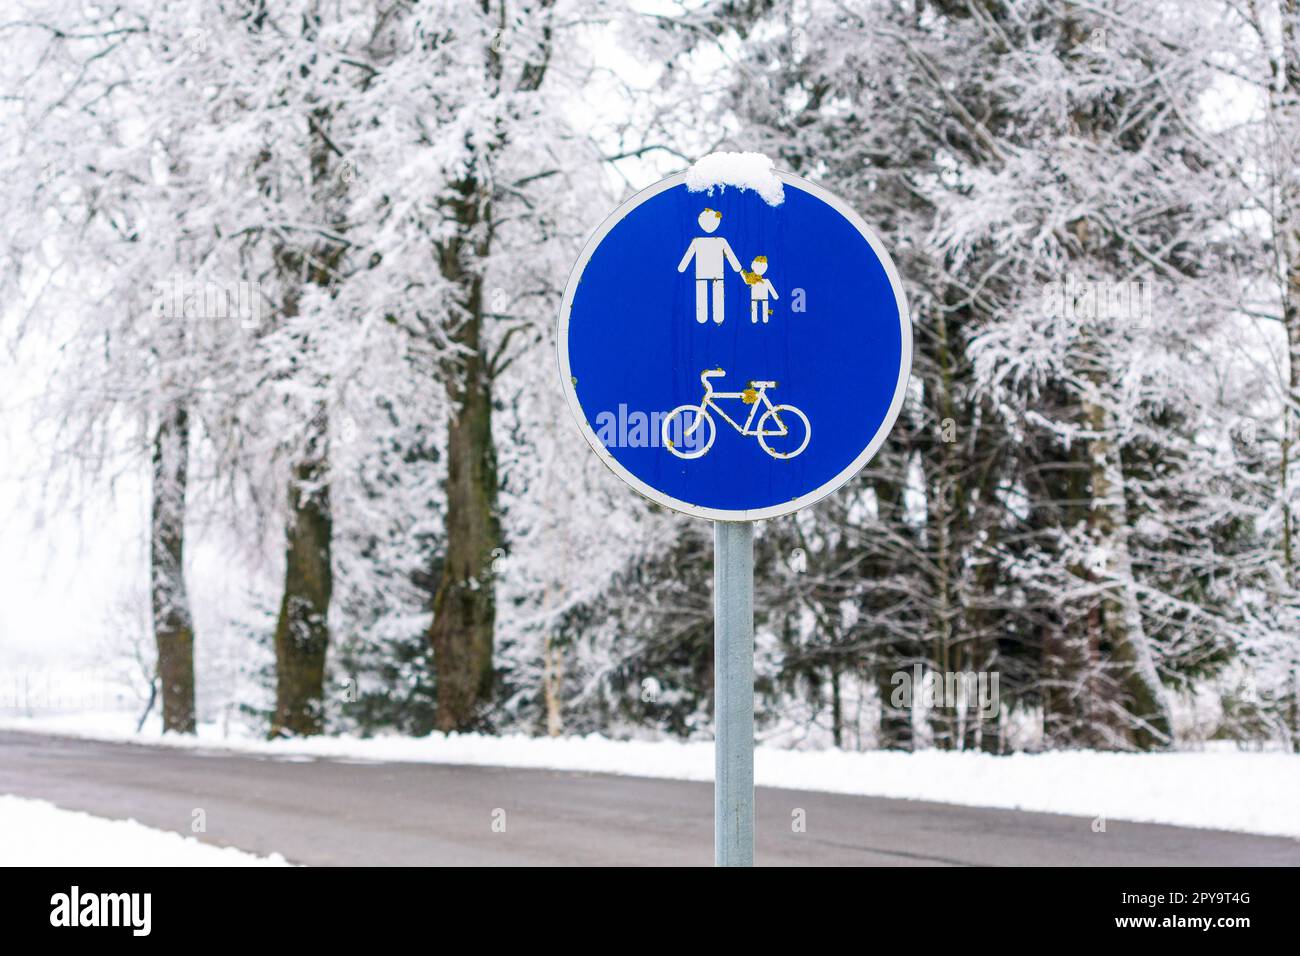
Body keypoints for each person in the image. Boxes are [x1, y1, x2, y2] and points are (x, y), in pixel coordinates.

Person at [677, 208, 743, 324]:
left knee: (706, 297)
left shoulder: (698, 241)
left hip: (706, 275)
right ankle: (712, 318)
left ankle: (708, 318)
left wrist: (681, 268)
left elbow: (685, 260)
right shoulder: (718, 241)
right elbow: (733, 260)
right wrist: (737, 268)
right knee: (713, 297)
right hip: (715, 275)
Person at [743, 255, 778, 323]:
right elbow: (771, 289)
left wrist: (743, 273)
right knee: (759, 307)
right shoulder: (756, 280)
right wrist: (775, 296)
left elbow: (746, 280)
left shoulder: (752, 280)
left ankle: (758, 319)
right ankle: (759, 319)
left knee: (758, 307)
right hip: (762, 298)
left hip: (755, 298)